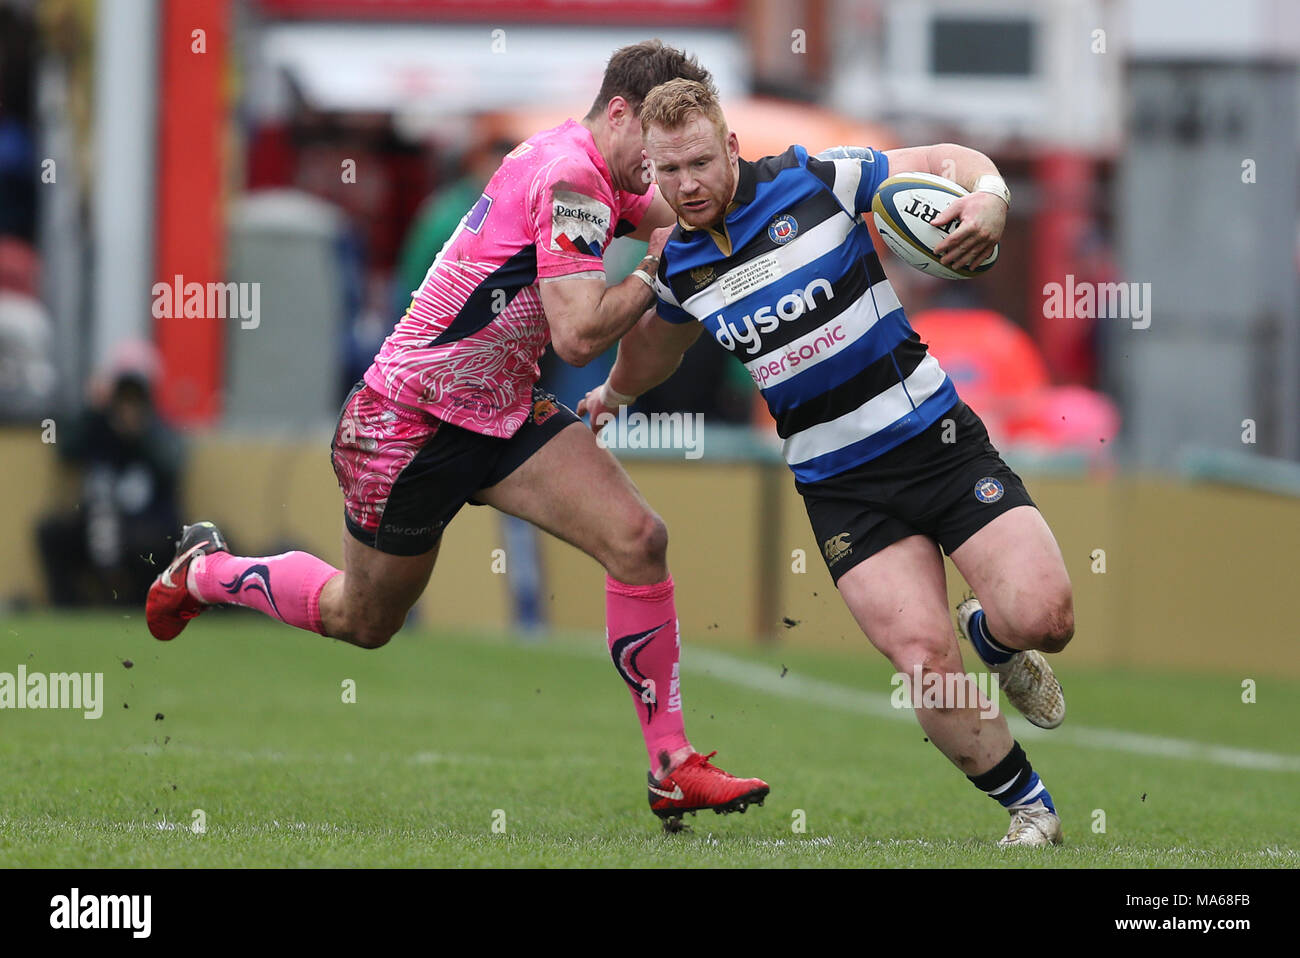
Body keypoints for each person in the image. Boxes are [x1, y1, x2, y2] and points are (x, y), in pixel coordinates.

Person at [146, 42, 768, 829]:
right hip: (407, 422)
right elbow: (578, 337)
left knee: (640, 539)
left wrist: (791, 204)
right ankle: (206, 573)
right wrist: (651, 274)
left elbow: (694, 209)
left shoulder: (597, 167)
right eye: (655, 154)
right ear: (619, 114)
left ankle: (671, 766)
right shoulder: (573, 178)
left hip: (500, 409)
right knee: (362, 621)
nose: (662, 174)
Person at [579, 78, 1073, 846]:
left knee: (1048, 618)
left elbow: (946, 158)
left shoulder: (815, 179)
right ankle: (1031, 808)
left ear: (731, 147)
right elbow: (655, 348)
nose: (686, 186)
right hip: (842, 489)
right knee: (922, 655)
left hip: (938, 443)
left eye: (700, 164)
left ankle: (997, 640)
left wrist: (991, 198)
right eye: (667, 172)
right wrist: (612, 393)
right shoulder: (674, 264)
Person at [39, 370, 183, 606]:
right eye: (123, 403)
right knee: (52, 533)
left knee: (149, 545)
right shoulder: (98, 427)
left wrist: (143, 436)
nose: (129, 410)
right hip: (97, 521)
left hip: (145, 525)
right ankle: (67, 606)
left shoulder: (158, 430)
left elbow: (174, 464)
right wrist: (91, 411)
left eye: (135, 404)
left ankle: (139, 605)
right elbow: (64, 449)